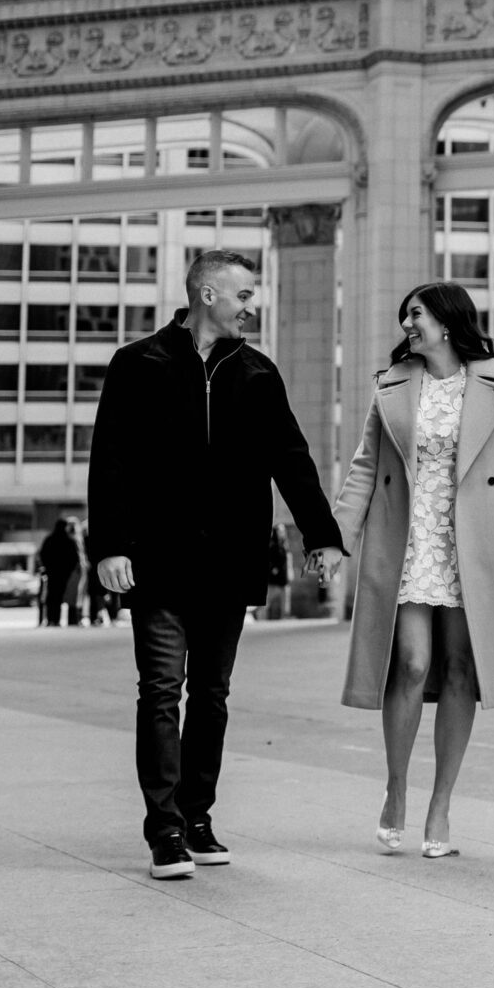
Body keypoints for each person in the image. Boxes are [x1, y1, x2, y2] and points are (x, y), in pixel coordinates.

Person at [88, 249, 344, 882]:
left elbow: (291, 457)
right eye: (244, 295)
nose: (251, 306)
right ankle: (165, 830)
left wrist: (323, 535)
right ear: (207, 295)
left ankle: (197, 818)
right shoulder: (138, 364)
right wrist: (111, 546)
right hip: (157, 559)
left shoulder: (257, 372)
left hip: (229, 560)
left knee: (211, 695)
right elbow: (110, 460)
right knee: (158, 691)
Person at [325, 281, 494, 861]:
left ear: (447, 322)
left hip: (476, 545)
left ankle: (441, 805)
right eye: (405, 315)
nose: (407, 323)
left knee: (459, 672)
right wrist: (335, 539)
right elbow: (362, 470)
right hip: (410, 538)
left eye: (417, 314)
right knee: (410, 662)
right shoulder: (392, 386)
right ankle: (396, 787)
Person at [37, 519, 82, 628]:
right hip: (63, 573)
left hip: (52, 572)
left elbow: (43, 554)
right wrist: (69, 569)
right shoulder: (69, 541)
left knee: (51, 595)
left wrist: (47, 567)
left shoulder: (50, 539)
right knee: (59, 595)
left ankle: (50, 619)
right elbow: (74, 558)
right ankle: (56, 619)